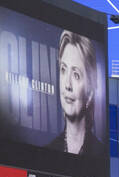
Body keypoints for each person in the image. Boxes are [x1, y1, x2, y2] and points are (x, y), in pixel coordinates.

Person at [45, 31, 106, 159]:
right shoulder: (47, 152)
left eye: (76, 75)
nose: (67, 84)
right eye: (63, 70)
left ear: (90, 93)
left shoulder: (100, 155)